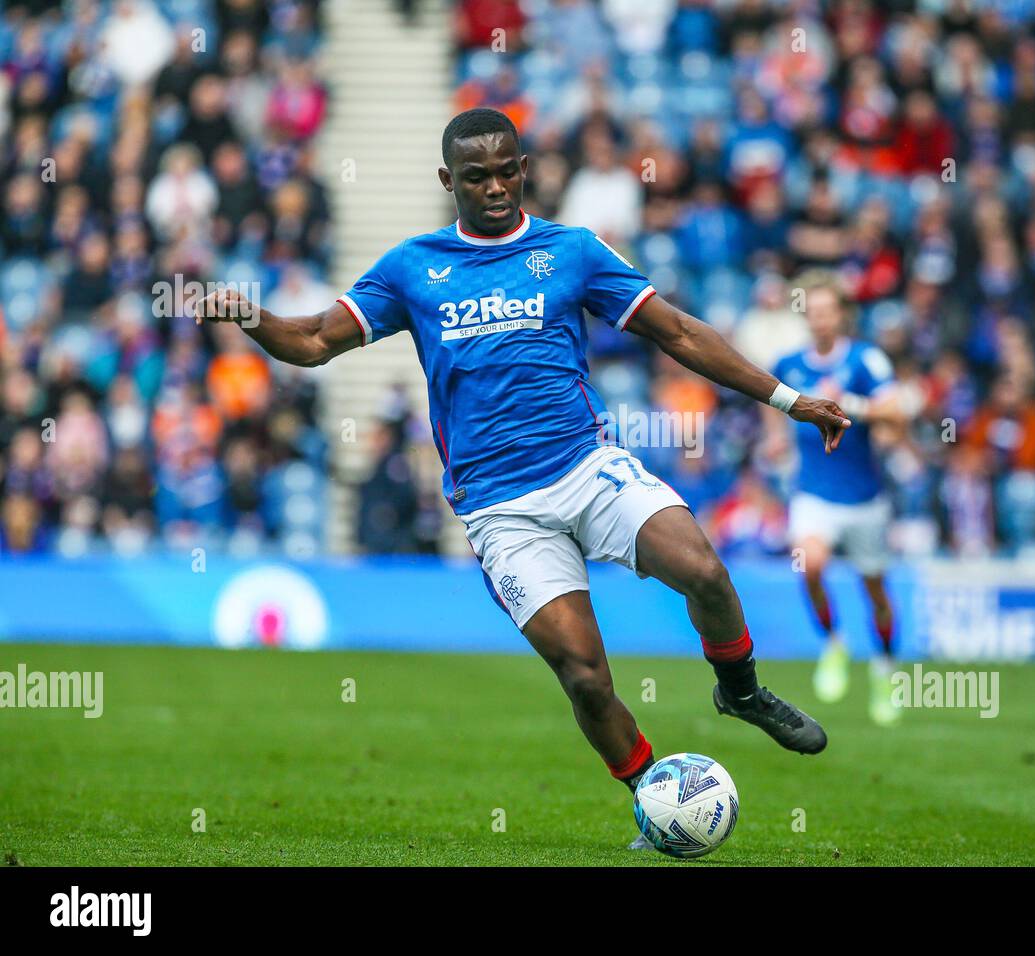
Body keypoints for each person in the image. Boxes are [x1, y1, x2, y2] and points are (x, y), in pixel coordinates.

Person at [196, 107, 850, 850]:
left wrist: (787, 400)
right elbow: (313, 340)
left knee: (702, 567)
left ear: (525, 166)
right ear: (449, 181)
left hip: (586, 465)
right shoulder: (414, 268)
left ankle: (742, 693)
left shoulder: (571, 250)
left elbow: (676, 331)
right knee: (584, 675)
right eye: (478, 177)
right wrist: (252, 317)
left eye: (508, 170)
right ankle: (651, 795)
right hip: (502, 510)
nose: (498, 186)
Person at [765, 274, 910, 723]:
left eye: (828, 310)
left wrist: (849, 403)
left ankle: (885, 668)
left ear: (842, 314)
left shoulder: (865, 359)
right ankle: (833, 643)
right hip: (814, 491)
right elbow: (768, 402)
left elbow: (897, 407)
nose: (820, 319)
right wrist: (776, 439)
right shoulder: (788, 364)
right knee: (810, 563)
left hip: (865, 496)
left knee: (876, 592)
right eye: (813, 310)